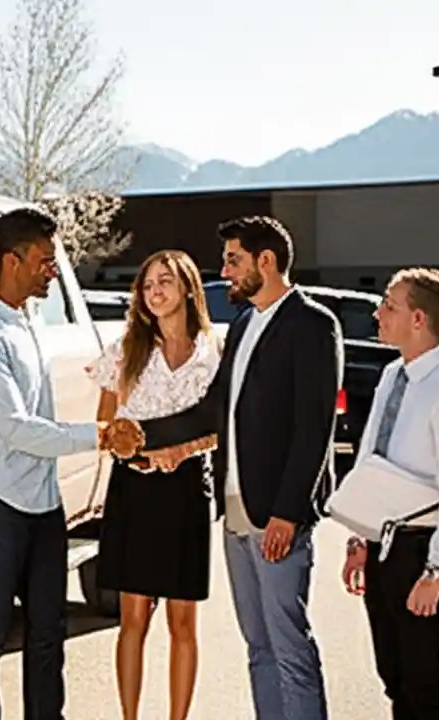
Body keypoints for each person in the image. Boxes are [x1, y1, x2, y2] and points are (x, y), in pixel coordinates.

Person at [135, 215, 342, 720]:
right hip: (233, 514)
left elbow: (313, 430)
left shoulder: (313, 325)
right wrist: (144, 435)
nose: (224, 270)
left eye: (233, 260)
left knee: (289, 646)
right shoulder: (245, 323)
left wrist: (288, 514)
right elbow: (213, 410)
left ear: (265, 261)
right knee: (258, 647)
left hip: (277, 517)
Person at [0, 206, 134, 720]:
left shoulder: (26, 317)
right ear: (13, 260)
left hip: (41, 504)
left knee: (49, 635)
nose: (53, 270)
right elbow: (16, 428)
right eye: (45, 260)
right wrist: (101, 436)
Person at [340, 268, 439, 719]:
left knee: (427, 685)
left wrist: (436, 571)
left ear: (419, 319)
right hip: (385, 546)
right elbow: (373, 460)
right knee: (395, 678)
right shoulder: (393, 376)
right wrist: (360, 539)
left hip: (426, 553)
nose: (378, 312)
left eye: (389, 305)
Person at [83, 249, 220, 720]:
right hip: (135, 493)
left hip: (187, 494)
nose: (155, 291)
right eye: (147, 284)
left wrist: (182, 450)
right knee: (133, 620)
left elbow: (222, 425)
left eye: (165, 281)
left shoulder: (213, 349)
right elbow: (105, 423)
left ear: (187, 288)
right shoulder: (125, 350)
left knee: (184, 623)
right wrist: (139, 450)